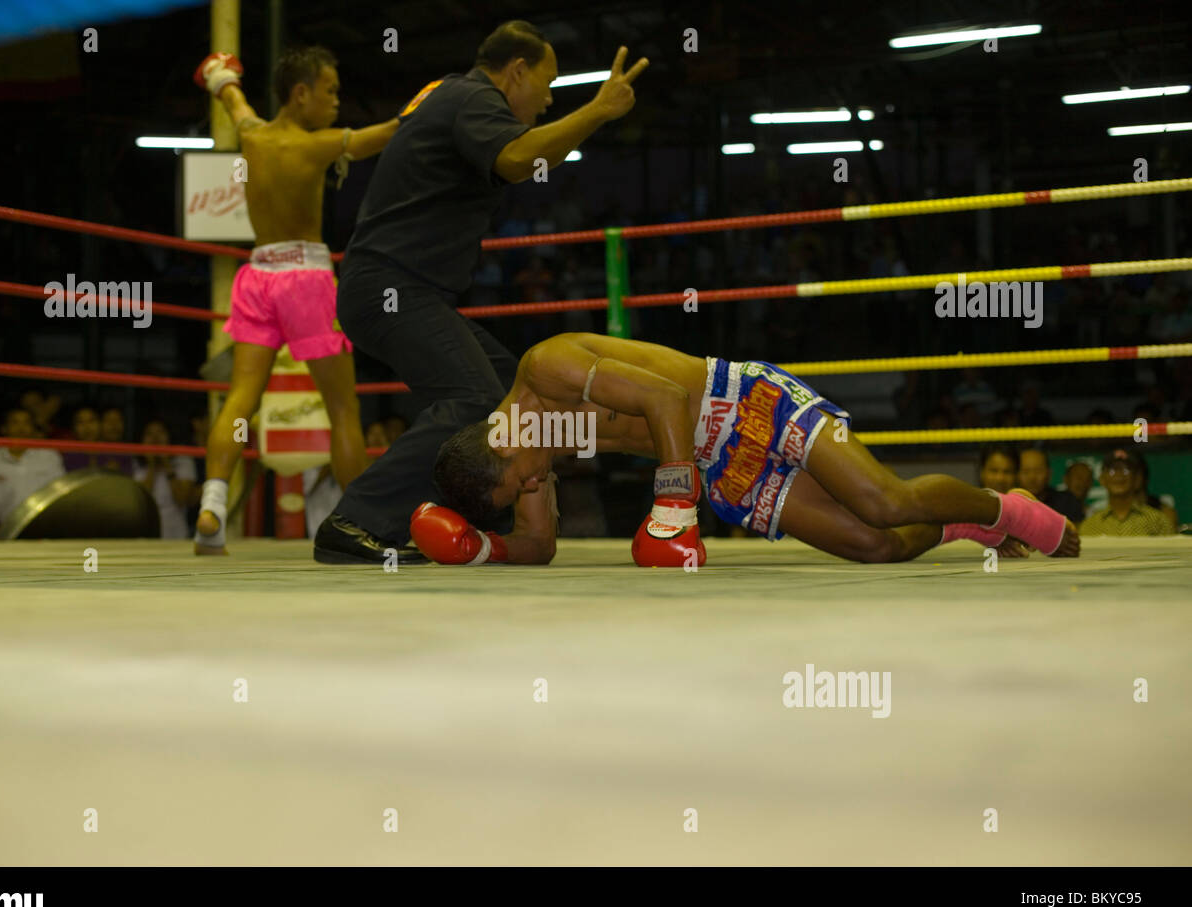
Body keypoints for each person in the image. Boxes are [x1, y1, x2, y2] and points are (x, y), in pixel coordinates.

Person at [313, 21, 649, 564]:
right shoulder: (471, 97)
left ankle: (463, 518)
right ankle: (355, 519)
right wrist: (596, 110)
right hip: (388, 285)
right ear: (516, 71)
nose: (547, 99)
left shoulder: (454, 97)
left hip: (402, 288)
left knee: (506, 395)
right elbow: (520, 160)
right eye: (546, 83)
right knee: (471, 399)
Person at [412, 333, 1080, 566]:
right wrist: (484, 547)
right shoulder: (528, 455)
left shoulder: (548, 366)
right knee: (878, 546)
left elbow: (666, 400)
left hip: (743, 401)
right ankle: (961, 525)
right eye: (522, 495)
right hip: (718, 465)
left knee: (884, 501)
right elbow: (542, 547)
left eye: (522, 483)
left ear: (505, 443)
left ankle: (1010, 512)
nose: (535, 489)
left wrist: (674, 500)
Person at [192, 45, 400, 554]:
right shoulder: (315, 146)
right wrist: (430, 107)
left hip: (258, 275)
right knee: (343, 408)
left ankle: (212, 505)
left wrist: (221, 77)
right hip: (305, 279)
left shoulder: (253, 135)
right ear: (301, 92)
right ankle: (359, 526)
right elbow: (384, 136)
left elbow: (232, 99)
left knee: (241, 398)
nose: (336, 102)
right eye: (329, 92)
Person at [0, 407, 65, 538]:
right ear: (4, 428)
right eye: (15, 423)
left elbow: (61, 499)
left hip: (47, 533)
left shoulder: (49, 457)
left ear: (33, 428)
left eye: (26, 423)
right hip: (8, 533)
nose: (21, 428)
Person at [1079, 448, 1175, 536]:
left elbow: (1171, 553)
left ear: (1137, 479)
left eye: (1126, 470)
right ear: (1102, 479)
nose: (1119, 475)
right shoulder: (1090, 525)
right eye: (1112, 470)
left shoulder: (1157, 521)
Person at [133, 420, 197, 540]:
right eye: (149, 434)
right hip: (146, 533)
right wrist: (151, 467)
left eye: (160, 432)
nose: (155, 438)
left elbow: (182, 499)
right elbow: (139, 503)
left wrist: (167, 465)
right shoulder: (136, 465)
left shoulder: (183, 461)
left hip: (176, 532)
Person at [1015, 447, 1083, 523]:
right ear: (1016, 474)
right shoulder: (1010, 506)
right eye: (1026, 471)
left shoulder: (1068, 503)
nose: (1032, 477)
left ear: (1049, 473)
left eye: (1038, 471)